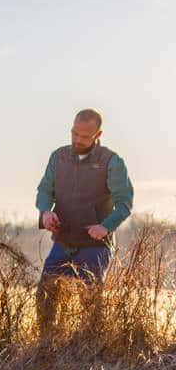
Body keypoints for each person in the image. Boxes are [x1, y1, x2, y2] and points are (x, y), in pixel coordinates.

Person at [35, 108, 134, 323]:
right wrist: (45, 212)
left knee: (90, 301)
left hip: (95, 245)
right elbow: (44, 190)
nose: (78, 139)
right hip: (63, 241)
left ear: (98, 135)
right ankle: (46, 340)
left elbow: (124, 203)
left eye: (85, 136)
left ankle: (90, 342)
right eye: (75, 133)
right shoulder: (59, 157)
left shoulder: (112, 161)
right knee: (45, 294)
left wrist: (105, 227)